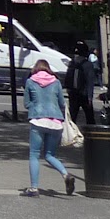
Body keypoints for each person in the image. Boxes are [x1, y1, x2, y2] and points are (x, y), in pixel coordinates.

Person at [23, 56, 74, 197]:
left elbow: (26, 103)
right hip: (56, 122)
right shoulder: (56, 82)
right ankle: (65, 175)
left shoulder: (30, 81)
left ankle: (34, 188)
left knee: (34, 154)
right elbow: (62, 103)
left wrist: (34, 106)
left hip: (38, 120)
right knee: (50, 155)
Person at [65, 42, 97, 127]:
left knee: (84, 115)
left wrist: (89, 97)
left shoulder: (82, 64)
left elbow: (90, 81)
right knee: (77, 115)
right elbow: (90, 81)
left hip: (80, 93)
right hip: (78, 93)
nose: (76, 56)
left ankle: (89, 132)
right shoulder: (78, 64)